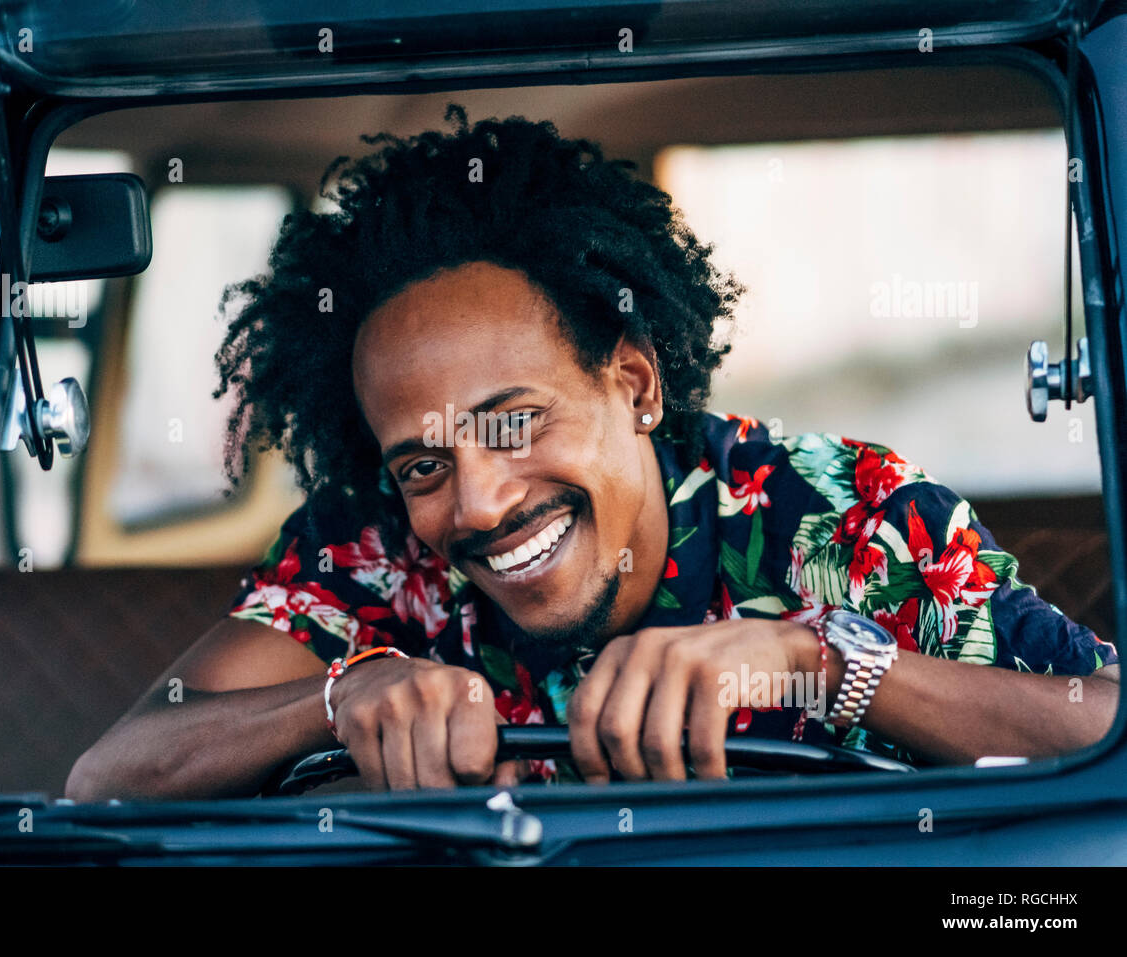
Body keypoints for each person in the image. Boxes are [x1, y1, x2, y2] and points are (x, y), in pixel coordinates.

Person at [65, 105, 1118, 800]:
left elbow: (1102, 725)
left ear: (635, 382)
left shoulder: (841, 514)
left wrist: (819, 663)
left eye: (513, 422)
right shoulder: (371, 555)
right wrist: (339, 697)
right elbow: (107, 778)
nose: (475, 503)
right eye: (422, 464)